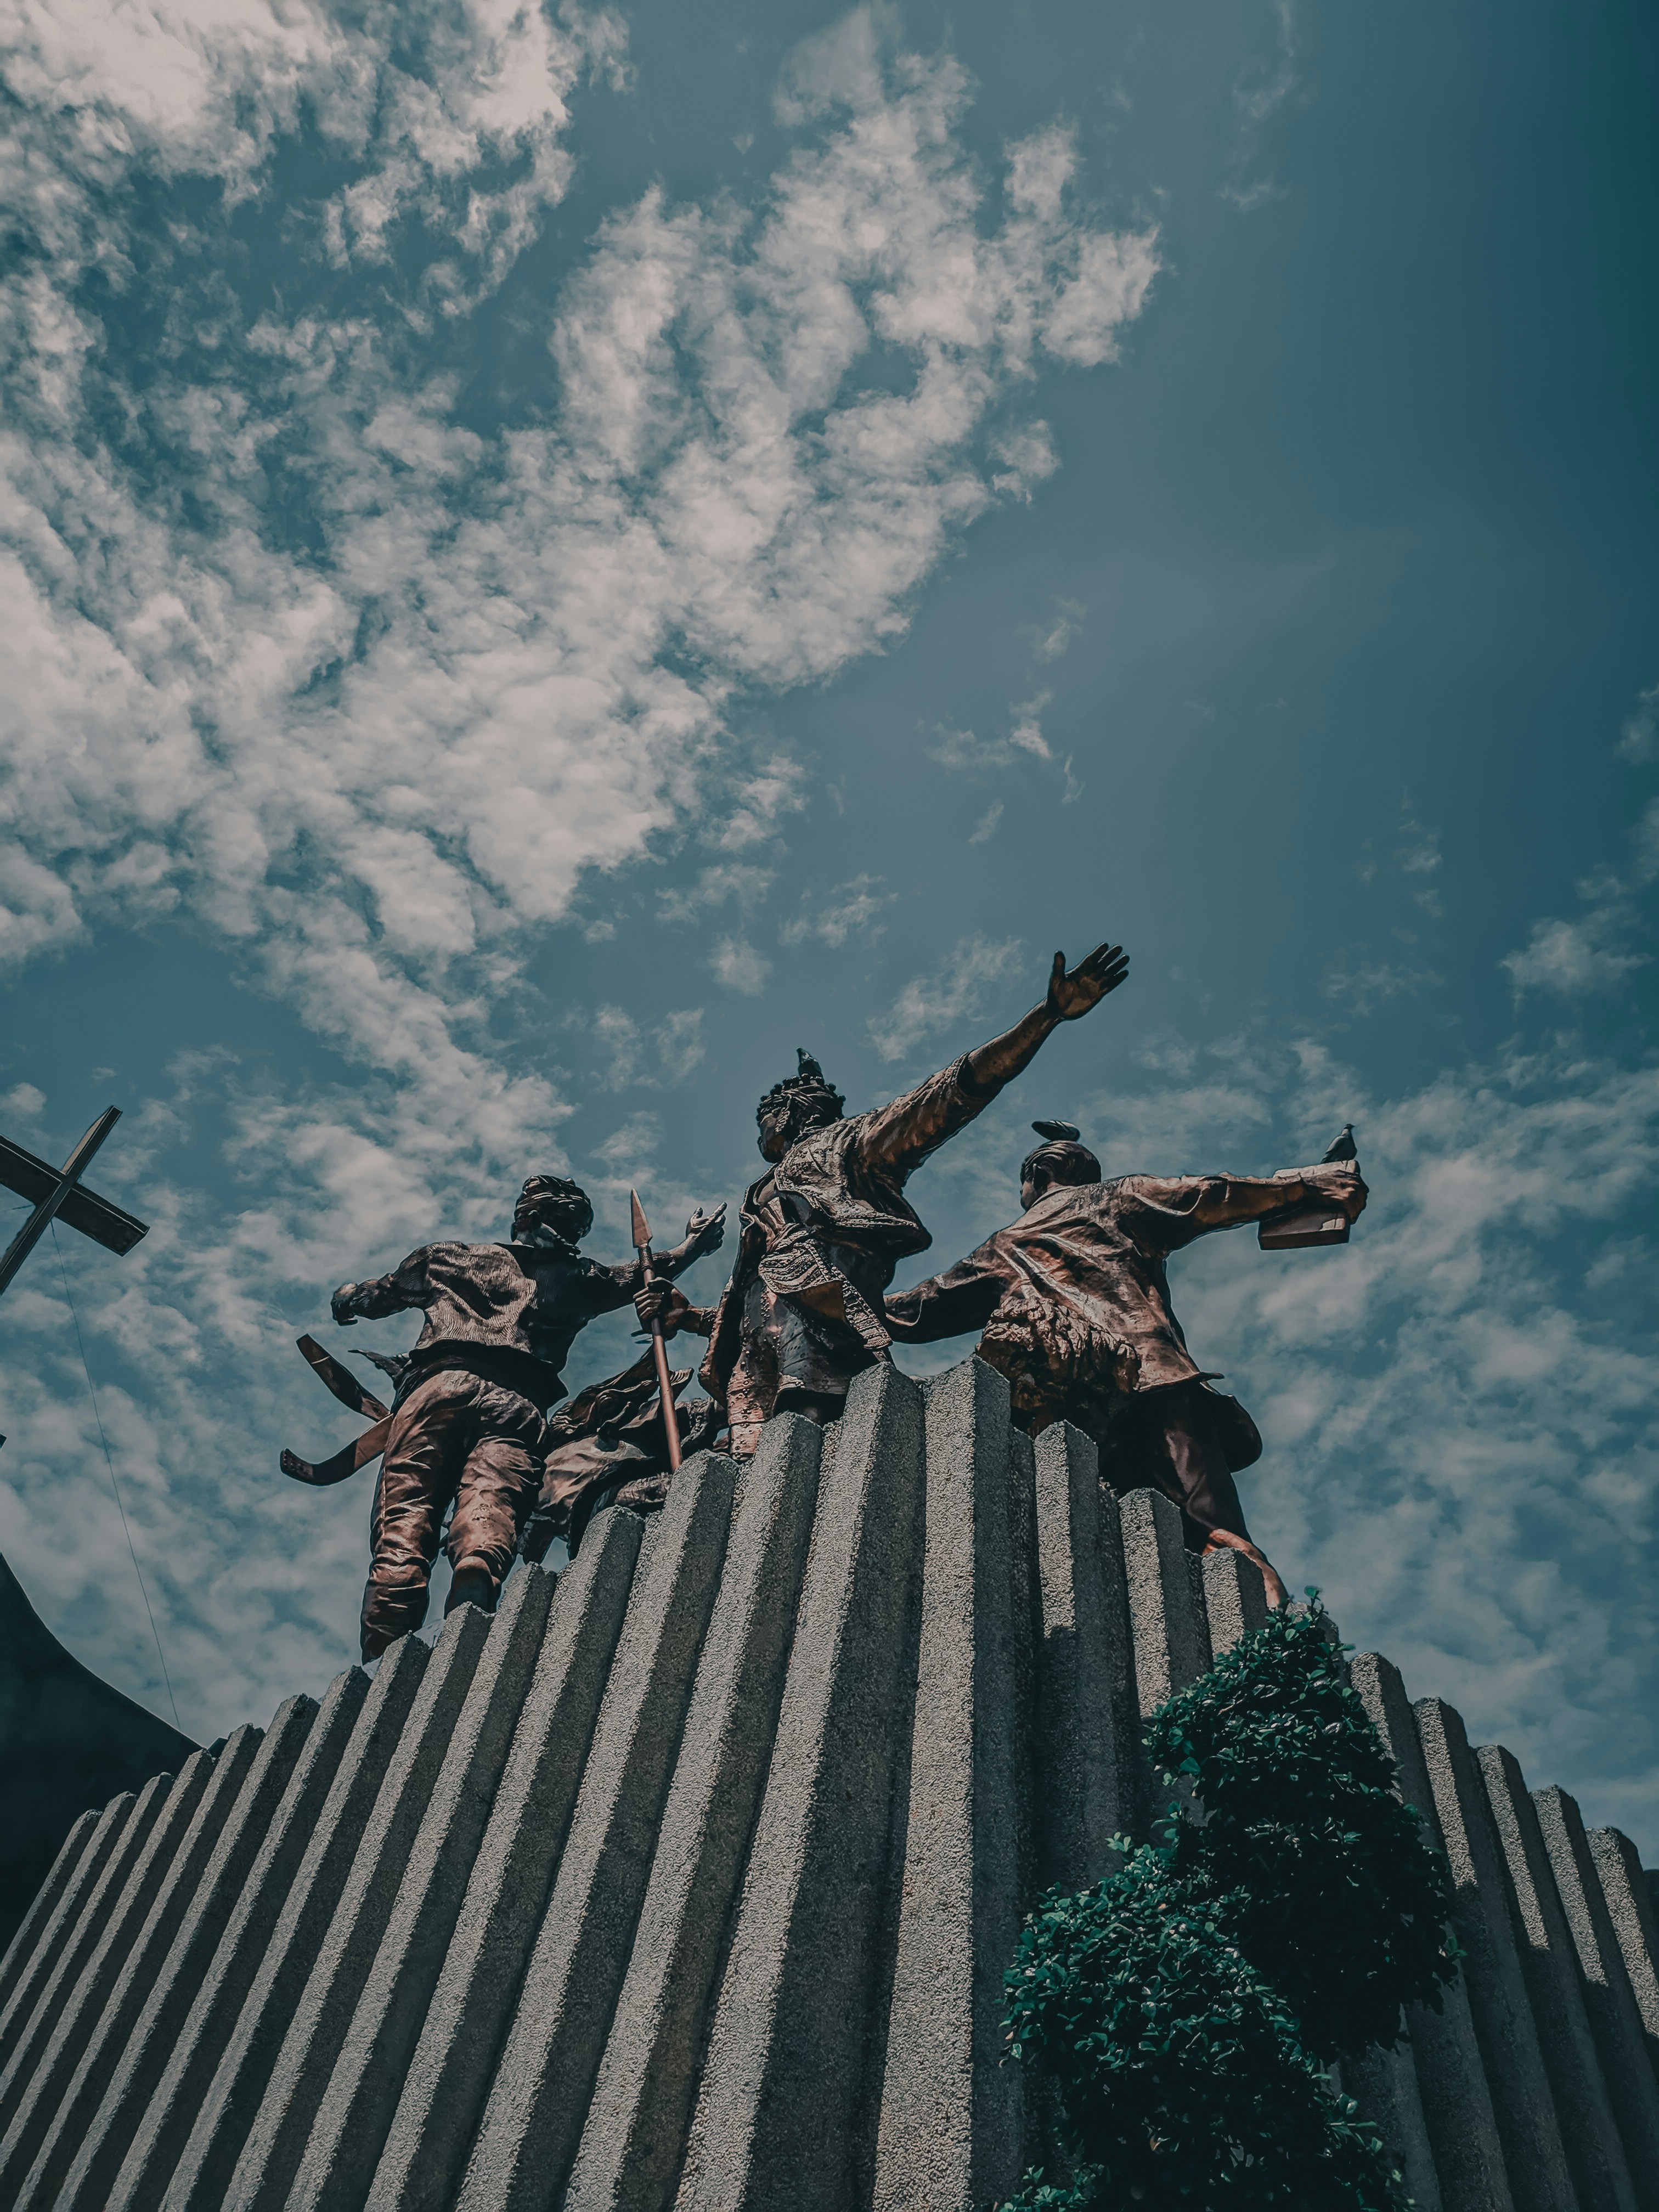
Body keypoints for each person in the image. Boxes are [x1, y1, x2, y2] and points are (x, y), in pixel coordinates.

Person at [635, 941, 1130, 1455]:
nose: (760, 1133)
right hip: (761, 1345)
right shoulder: (760, 1195)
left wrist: (1044, 1018)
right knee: (751, 1452)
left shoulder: (851, 1143)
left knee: (814, 1430)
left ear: (784, 1115)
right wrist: (686, 1315)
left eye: (763, 1119)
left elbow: (946, 1098)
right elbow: (756, 1299)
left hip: (827, 1315)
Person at [881, 1125, 1369, 1607]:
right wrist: (1308, 1186)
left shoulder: (1006, 1245)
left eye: (1022, 1183)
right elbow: (1213, 1196)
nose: (1023, 1194)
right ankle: (1269, 1640)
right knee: (1216, 1534)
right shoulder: (1121, 1197)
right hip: (1156, 1382)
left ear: (1042, 1172)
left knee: (1134, 1557)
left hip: (1079, 1423)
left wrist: (834, 1288)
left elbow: (917, 1308)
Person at [330, 1176, 725, 1657]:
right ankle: (467, 1631)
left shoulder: (443, 1258)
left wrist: (347, 1298)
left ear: (524, 1215)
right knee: (489, 1515)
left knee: (405, 1521)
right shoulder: (579, 1279)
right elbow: (643, 1271)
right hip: (517, 1408)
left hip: (436, 1392)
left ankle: (382, 1665)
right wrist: (691, 1246)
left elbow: (374, 1297)